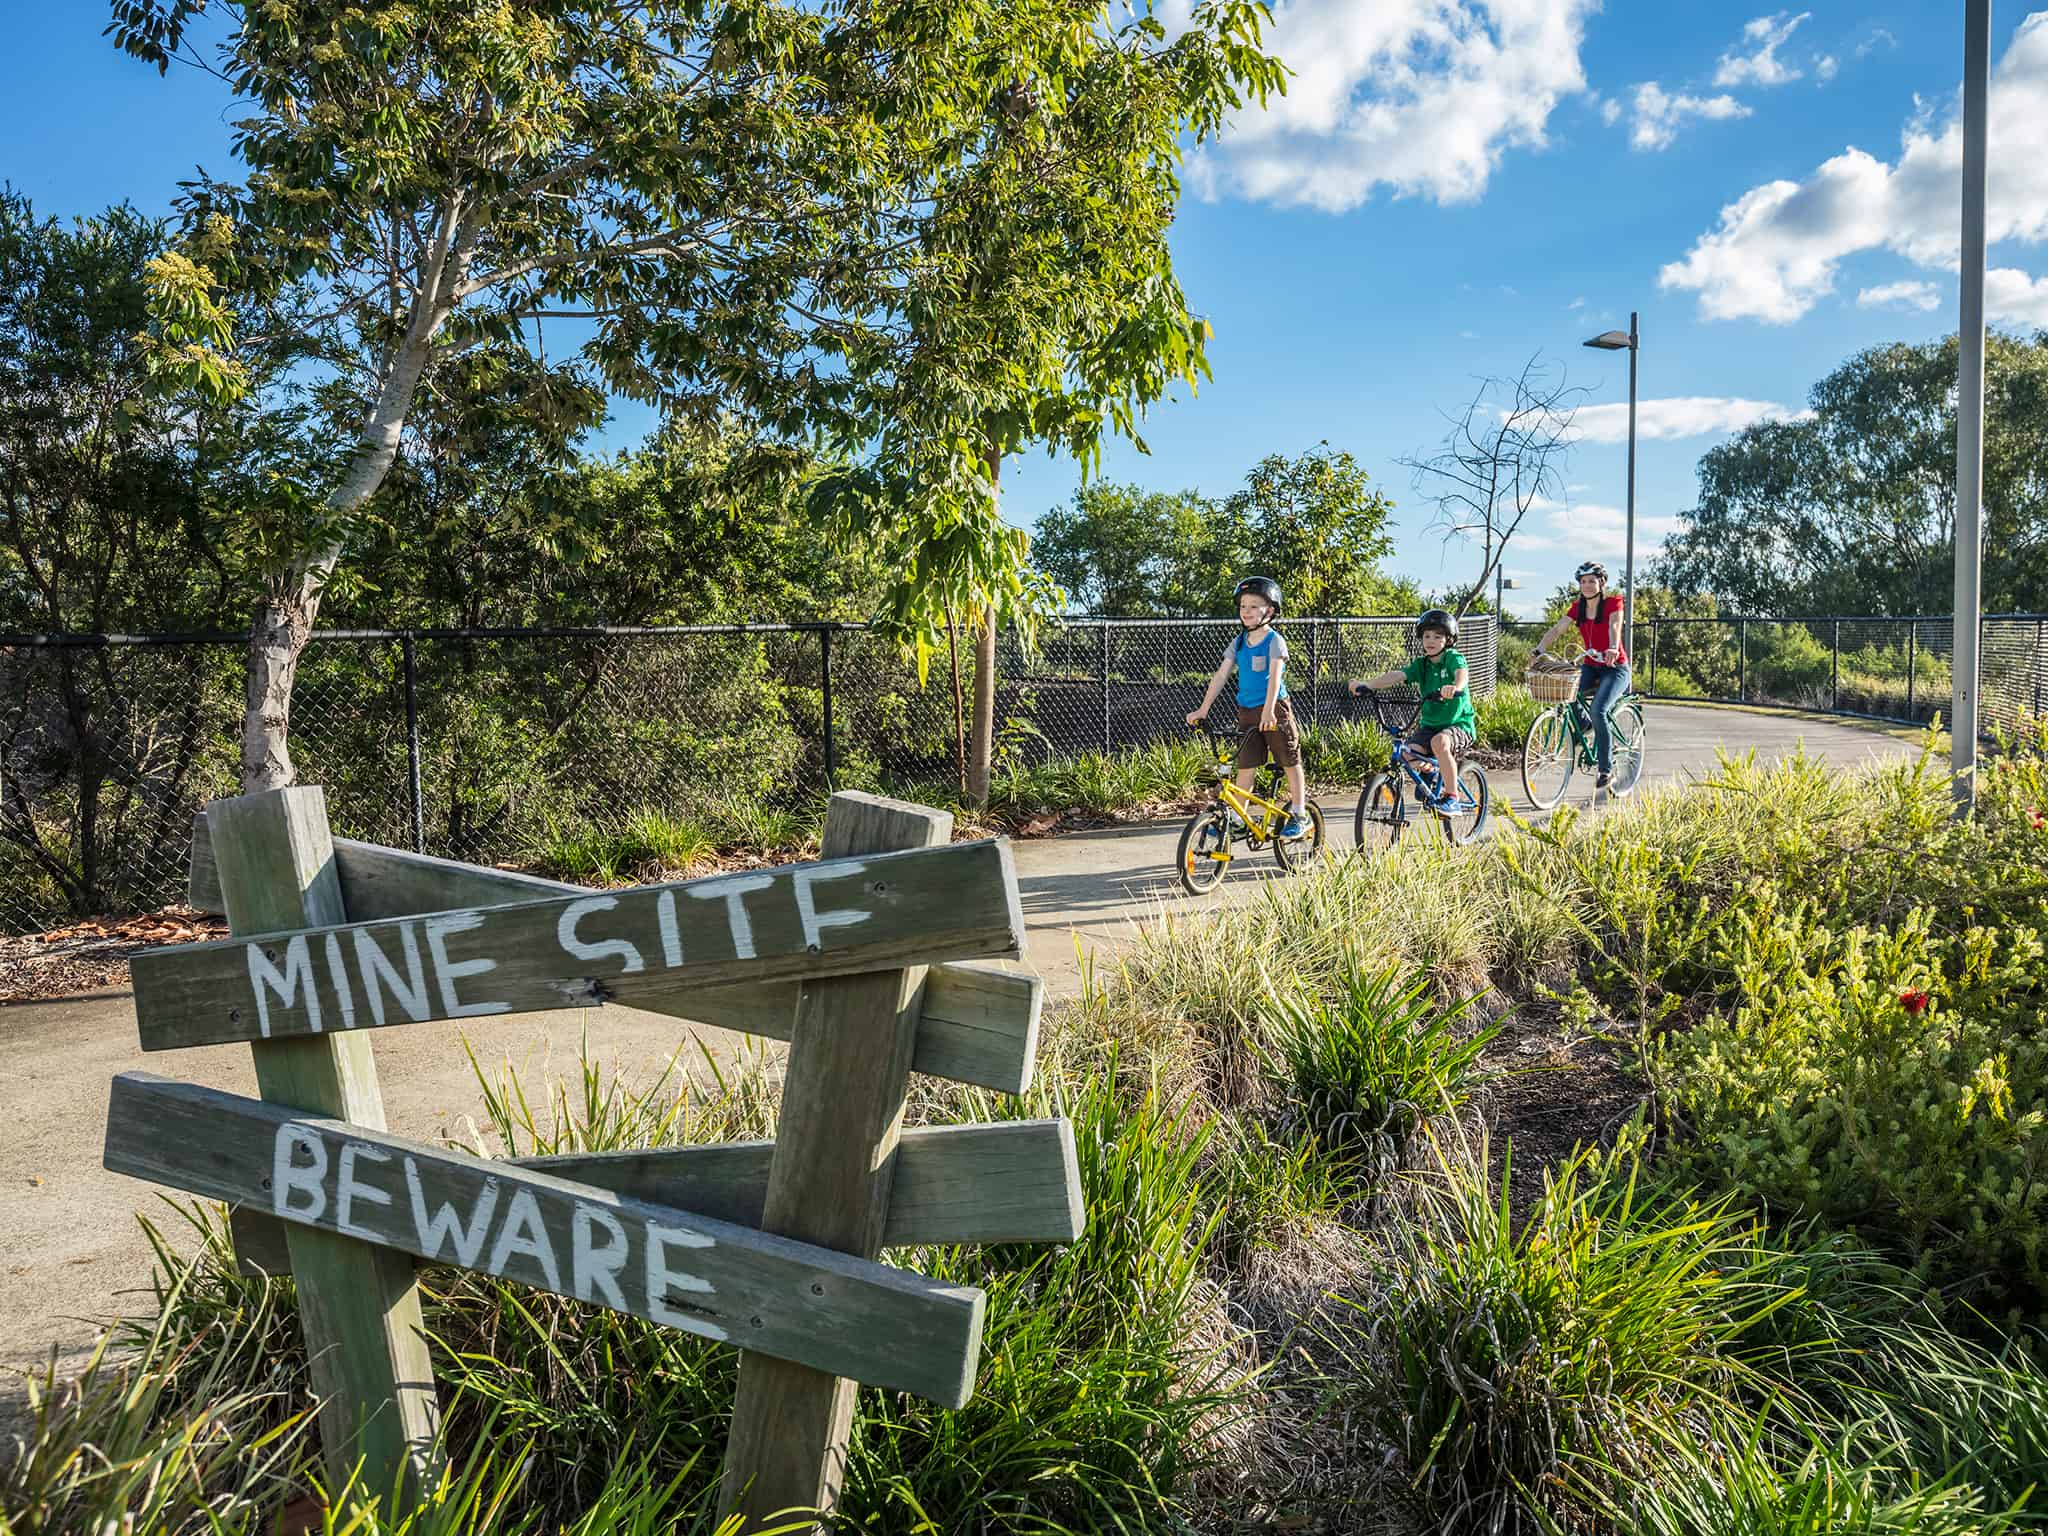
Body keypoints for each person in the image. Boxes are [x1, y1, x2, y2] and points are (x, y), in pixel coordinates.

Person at [1186, 576, 1310, 838]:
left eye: (1254, 606)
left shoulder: (1275, 640)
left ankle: (1300, 812)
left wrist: (1268, 711)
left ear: (1270, 611)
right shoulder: (1239, 642)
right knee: (1245, 767)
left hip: (1275, 709)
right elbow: (1220, 676)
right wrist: (1203, 709)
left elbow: (1275, 677)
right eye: (1243, 606)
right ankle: (1238, 819)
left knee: (1289, 759)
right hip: (1247, 711)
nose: (1247, 611)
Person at [1346, 608, 1475, 811]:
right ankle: (1431, 771)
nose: (1430, 640)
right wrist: (1368, 685)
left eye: (1437, 636)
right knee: (1407, 754)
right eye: (1426, 636)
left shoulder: (1452, 658)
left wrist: (1455, 688)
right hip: (1430, 725)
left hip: (1459, 724)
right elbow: (1397, 675)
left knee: (1440, 742)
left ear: (1448, 640)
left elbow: (1462, 674)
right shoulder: (1421, 665)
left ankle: (1452, 798)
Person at [1533, 560, 1631, 788]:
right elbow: (1558, 629)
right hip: (1590, 665)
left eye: (1592, 581)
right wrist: (1539, 649)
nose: (1587, 585)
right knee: (1567, 692)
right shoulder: (1578, 607)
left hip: (1615, 668)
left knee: (1599, 709)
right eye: (1583, 582)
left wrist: (1613, 648)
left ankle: (1605, 769)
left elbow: (1614, 626)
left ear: (1602, 583)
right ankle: (1585, 726)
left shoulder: (1613, 602)